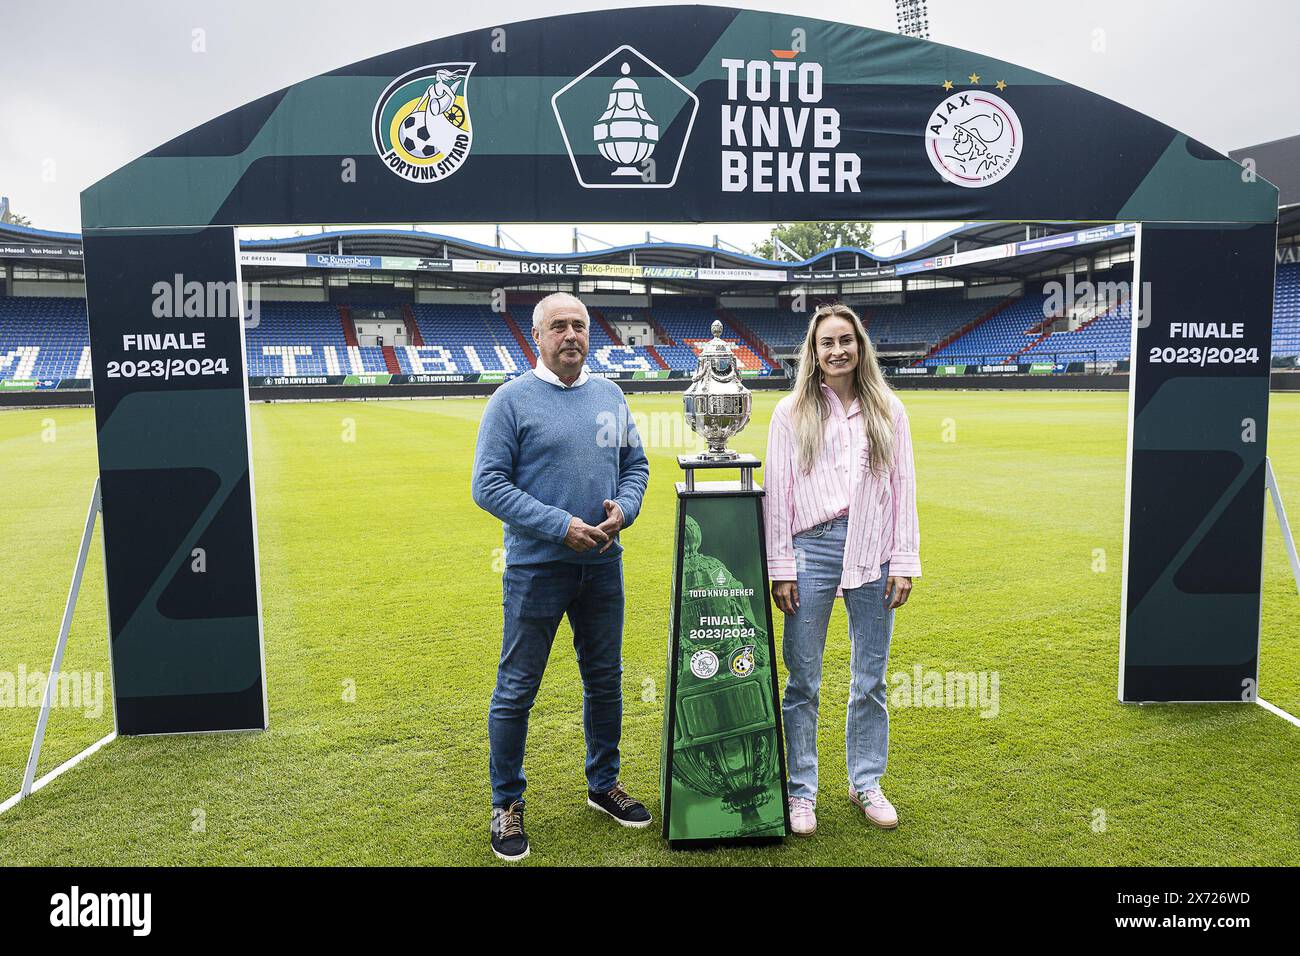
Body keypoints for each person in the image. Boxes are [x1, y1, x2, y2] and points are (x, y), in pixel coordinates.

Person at [471, 292, 652, 862]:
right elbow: (488, 485)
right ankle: (506, 804)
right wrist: (560, 526)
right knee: (517, 689)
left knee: (605, 680)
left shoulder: (611, 394)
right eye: (559, 327)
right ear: (538, 336)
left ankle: (603, 785)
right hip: (535, 569)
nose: (571, 335)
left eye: (579, 325)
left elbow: (636, 466)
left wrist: (626, 508)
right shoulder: (510, 401)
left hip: (602, 566)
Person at [764, 303, 921, 836]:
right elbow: (778, 493)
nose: (837, 351)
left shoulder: (888, 409)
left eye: (846, 341)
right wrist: (781, 566)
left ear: (860, 347)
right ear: (813, 351)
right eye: (826, 342)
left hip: (873, 546)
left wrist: (903, 560)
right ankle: (800, 791)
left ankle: (865, 782)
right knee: (802, 678)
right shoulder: (791, 412)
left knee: (870, 677)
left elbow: (904, 489)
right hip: (813, 547)